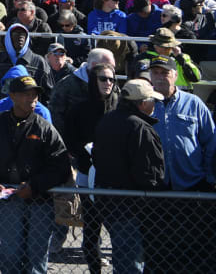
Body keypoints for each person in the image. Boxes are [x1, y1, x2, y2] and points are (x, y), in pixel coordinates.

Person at [0, 75, 72, 274]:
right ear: (12, 96)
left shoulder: (45, 128)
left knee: (37, 258)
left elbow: (61, 165)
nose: (32, 99)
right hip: (8, 201)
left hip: (40, 202)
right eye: (27, 94)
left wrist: (35, 186)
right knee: (10, 256)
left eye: (35, 95)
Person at [145, 54, 216, 271]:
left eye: (164, 73)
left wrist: (209, 178)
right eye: (155, 73)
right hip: (156, 191)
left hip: (192, 190)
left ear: (175, 75)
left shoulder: (194, 104)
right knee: (156, 250)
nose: (159, 78)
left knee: (194, 250)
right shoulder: (143, 104)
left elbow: (211, 142)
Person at [91, 79, 167, 274]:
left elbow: (97, 158)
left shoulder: (107, 120)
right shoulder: (141, 128)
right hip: (134, 207)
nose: (155, 104)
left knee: (124, 259)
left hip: (108, 202)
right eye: (152, 100)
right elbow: (150, 175)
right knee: (132, 263)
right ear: (141, 103)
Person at [64, 57, 119, 274]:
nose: (108, 83)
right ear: (93, 81)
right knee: (91, 233)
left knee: (120, 234)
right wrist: (86, 153)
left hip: (116, 177)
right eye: (103, 79)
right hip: (88, 174)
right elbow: (70, 138)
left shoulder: (120, 106)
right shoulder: (79, 109)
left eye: (112, 79)